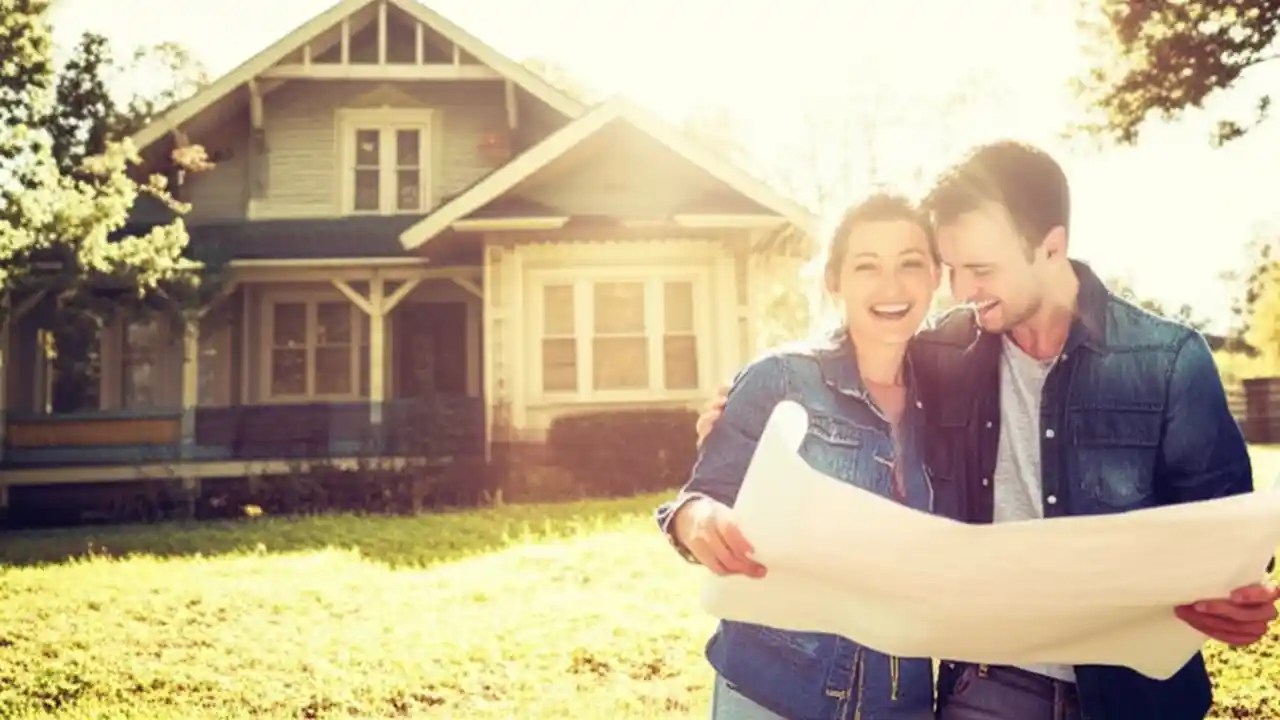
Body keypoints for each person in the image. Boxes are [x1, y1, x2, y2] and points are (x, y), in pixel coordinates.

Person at [688, 140, 1279, 720]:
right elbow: (855, 375)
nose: (963, 290)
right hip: (992, 686)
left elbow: (1228, 536)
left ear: (1052, 248)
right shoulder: (944, 353)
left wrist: (1240, 598)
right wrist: (737, 416)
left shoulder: (1169, 359)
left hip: (1135, 692)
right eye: (952, 268)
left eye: (981, 270)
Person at [656, 194, 945, 719]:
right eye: (866, 267)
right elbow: (701, 497)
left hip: (899, 700)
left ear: (935, 277)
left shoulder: (954, 397)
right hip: (775, 689)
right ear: (834, 281)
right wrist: (696, 521)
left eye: (910, 264)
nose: (891, 287)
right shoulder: (781, 379)